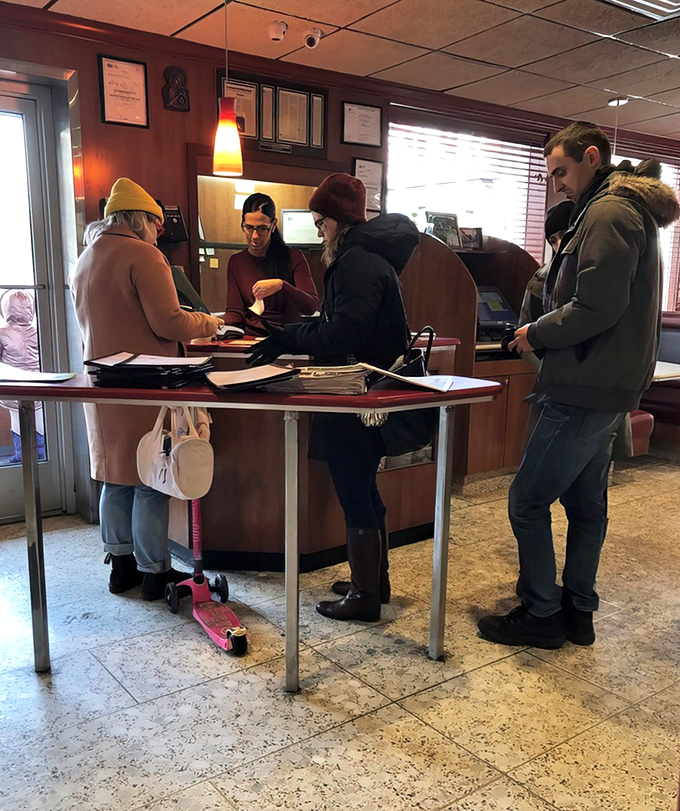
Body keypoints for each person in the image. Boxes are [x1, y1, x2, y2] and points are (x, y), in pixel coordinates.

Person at [478, 121, 680, 650]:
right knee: (587, 505)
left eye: (561, 171)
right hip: (607, 386)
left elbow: (597, 306)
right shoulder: (619, 210)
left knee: (526, 500)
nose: (557, 184)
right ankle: (578, 611)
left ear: (592, 157)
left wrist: (535, 332)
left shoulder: (610, 212)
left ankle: (543, 613)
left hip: (583, 385)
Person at [248, 173, 420, 622]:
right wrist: (294, 335)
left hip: (355, 393)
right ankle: (373, 582)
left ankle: (365, 597)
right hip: (365, 391)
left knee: (353, 489)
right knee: (364, 487)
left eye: (319, 220)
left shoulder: (356, 262)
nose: (318, 228)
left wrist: (287, 337)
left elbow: (343, 331)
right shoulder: (368, 258)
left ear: (337, 220)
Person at [70, 178, 222, 600]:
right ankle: (155, 572)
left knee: (114, 479)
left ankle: (120, 569)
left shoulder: (86, 257)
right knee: (148, 479)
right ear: (142, 219)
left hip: (102, 387)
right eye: (157, 225)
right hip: (143, 384)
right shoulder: (145, 256)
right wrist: (210, 323)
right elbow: (169, 322)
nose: (160, 233)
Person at [224, 193, 319, 335]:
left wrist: (281, 286)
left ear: (273, 225)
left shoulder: (293, 257)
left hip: (287, 337)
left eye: (262, 228)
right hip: (252, 338)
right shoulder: (236, 262)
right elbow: (235, 312)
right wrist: (214, 324)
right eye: (249, 227)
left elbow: (311, 306)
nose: (254, 236)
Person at [0, 290, 46, 463]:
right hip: (40, 384)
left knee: (16, 417)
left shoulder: (3, 333)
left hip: (12, 383)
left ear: (6, 309)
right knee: (39, 417)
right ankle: (40, 451)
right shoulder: (38, 331)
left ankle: (22, 453)